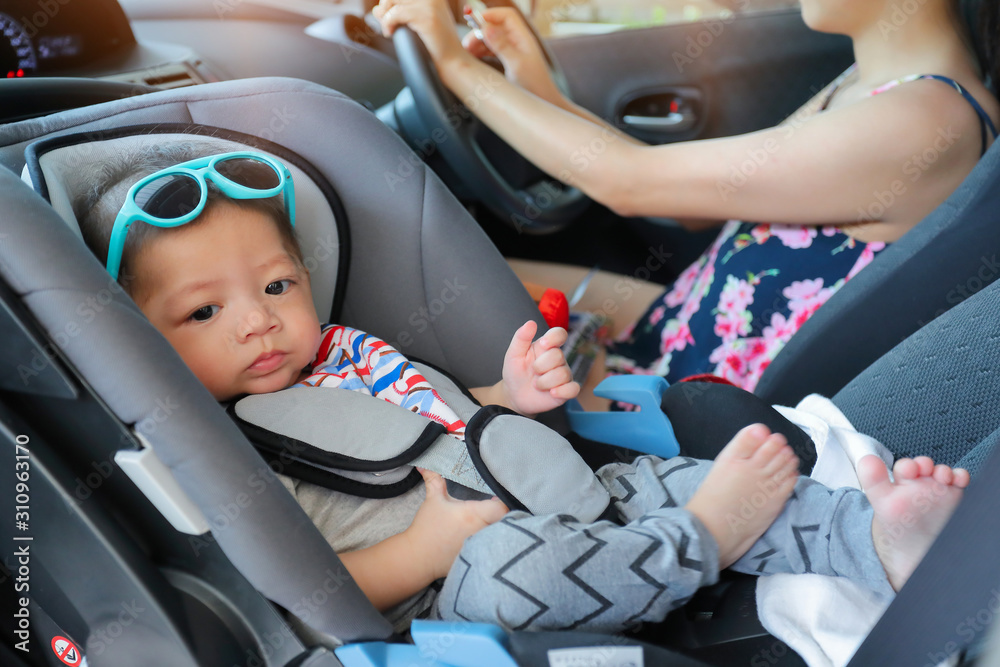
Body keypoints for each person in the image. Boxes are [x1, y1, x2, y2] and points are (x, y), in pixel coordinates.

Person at [77, 145, 970, 634]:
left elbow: (438, 410)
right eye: (203, 312)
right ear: (142, 341)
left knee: (668, 480)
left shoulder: (347, 354)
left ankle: (872, 536)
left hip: (562, 482)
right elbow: (304, 586)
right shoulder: (217, 447)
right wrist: (427, 548)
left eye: (277, 286)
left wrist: (506, 387)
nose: (257, 322)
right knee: (529, 573)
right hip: (452, 571)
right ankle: (700, 541)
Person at [373, 0, 1000, 404]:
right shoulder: (869, 89)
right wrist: (530, 77)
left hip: (682, 406)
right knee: (436, 276)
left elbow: (630, 181)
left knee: (406, 291)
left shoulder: (925, 119)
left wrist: (455, 67)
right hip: (669, 335)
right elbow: (694, 201)